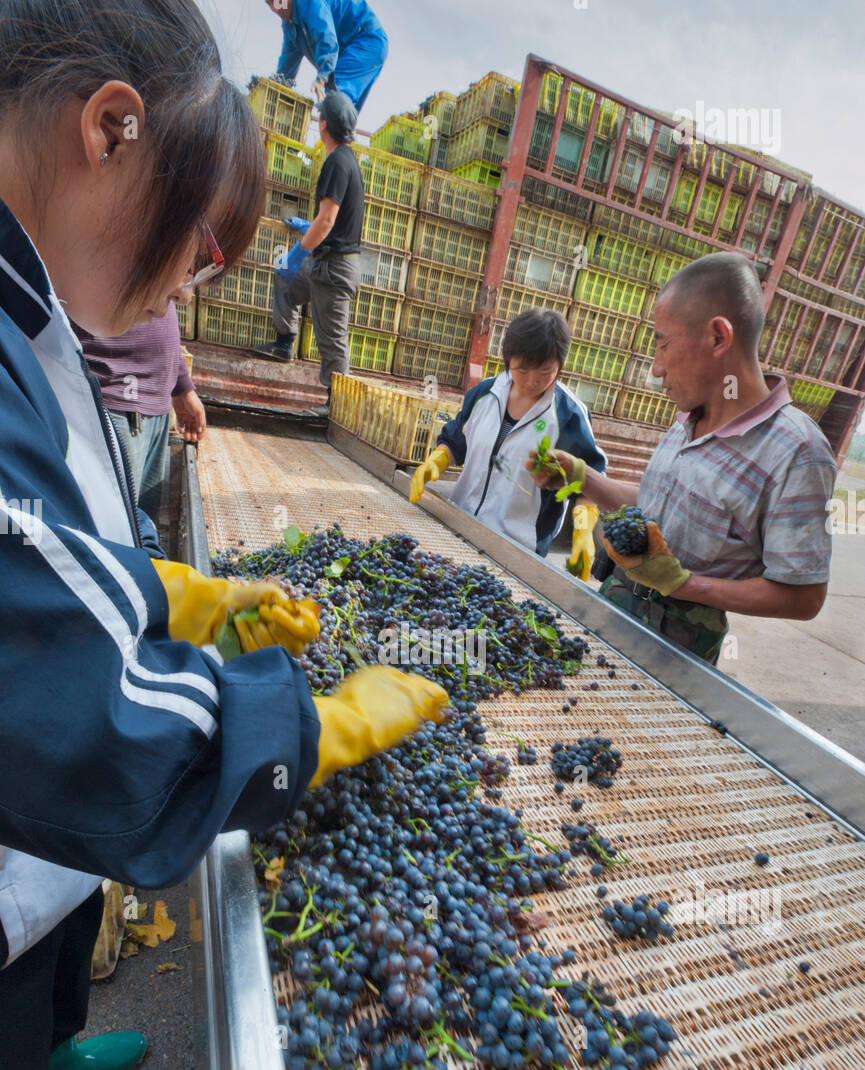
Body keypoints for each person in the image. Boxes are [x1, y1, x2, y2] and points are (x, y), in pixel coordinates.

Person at [0, 0, 445, 1070]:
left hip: (26, 888)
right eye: (196, 242)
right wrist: (309, 718)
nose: (186, 283)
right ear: (109, 130)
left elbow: (38, 544)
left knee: (32, 1052)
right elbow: (73, 699)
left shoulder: (29, 299)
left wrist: (167, 594)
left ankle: (44, 1051)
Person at [530, 252, 836, 664]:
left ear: (718, 337)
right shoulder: (687, 419)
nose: (655, 368)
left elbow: (804, 596)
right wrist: (583, 476)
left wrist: (684, 585)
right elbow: (657, 510)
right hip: (612, 609)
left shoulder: (797, 453)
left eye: (662, 343)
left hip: (676, 650)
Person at [410, 309, 608, 557]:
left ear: (560, 366)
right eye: (522, 370)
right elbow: (456, 439)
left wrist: (583, 528)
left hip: (518, 549)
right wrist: (437, 460)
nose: (532, 381)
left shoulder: (569, 414)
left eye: (545, 371)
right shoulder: (484, 393)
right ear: (507, 359)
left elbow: (590, 480)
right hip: (458, 527)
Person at [264, 91, 363, 416]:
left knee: (332, 339)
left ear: (323, 125)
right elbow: (333, 219)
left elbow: (328, 219)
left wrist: (298, 251)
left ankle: (336, 407)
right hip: (324, 262)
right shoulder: (346, 160)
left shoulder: (337, 162)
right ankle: (284, 345)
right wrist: (311, 228)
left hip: (334, 269)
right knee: (285, 280)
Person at [75, 303, 207, 524]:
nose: (185, 297)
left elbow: (164, 311)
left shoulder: (161, 294)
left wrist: (181, 384)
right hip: (116, 403)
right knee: (115, 527)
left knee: (143, 525)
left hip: (156, 406)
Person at [265, 0, 388, 112]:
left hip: (366, 41)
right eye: (269, 3)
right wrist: (275, 89)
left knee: (335, 103)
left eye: (278, 1)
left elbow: (326, 39)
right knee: (343, 113)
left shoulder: (310, 3)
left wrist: (323, 77)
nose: (275, 9)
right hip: (350, 51)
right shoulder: (290, 26)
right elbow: (286, 68)